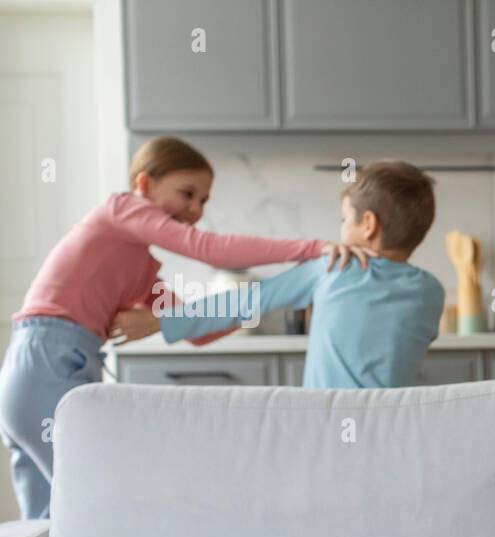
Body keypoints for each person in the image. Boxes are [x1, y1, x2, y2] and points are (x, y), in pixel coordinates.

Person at [0, 136, 362, 517]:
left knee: (51, 522)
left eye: (203, 201)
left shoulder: (139, 270)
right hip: (47, 360)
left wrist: (290, 288)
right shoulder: (120, 208)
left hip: (41, 366)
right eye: (187, 193)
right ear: (143, 184)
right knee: (89, 503)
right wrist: (311, 249)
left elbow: (201, 330)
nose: (194, 209)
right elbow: (209, 249)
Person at [113, 160, 444, 389]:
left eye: (345, 220)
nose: (340, 229)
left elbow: (247, 302)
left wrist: (162, 321)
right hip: (395, 427)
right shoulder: (432, 291)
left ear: (368, 225)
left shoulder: (333, 270)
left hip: (326, 425)